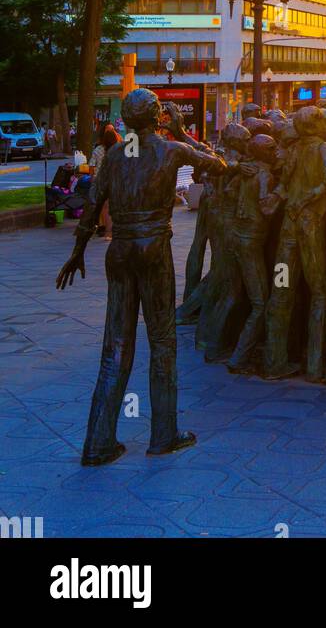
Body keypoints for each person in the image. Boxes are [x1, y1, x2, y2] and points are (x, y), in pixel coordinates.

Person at [55, 90, 226, 466]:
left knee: (115, 345)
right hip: (153, 248)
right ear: (158, 117)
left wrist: (78, 252)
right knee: (162, 340)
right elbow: (219, 164)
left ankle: (99, 441)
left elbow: (93, 204)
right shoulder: (171, 150)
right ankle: (163, 434)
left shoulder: (116, 155)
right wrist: (180, 133)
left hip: (121, 251)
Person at [89, 124, 120, 239]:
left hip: (101, 181)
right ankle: (112, 230)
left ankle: (107, 231)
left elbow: (91, 166)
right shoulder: (119, 150)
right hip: (115, 181)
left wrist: (93, 179)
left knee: (105, 207)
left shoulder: (98, 150)